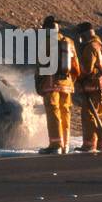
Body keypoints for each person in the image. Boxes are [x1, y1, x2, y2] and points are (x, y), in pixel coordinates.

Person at [35, 15, 79, 154]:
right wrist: (70, 82)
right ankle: (65, 145)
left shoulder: (45, 42)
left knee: (54, 114)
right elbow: (76, 67)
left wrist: (39, 83)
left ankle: (55, 145)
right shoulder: (69, 42)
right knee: (65, 113)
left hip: (50, 84)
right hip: (67, 85)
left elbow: (41, 65)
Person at [74, 22, 102, 154]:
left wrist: (77, 75)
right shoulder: (101, 46)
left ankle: (89, 145)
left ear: (84, 35)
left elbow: (87, 69)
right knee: (100, 116)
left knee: (89, 115)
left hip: (93, 87)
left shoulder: (90, 47)